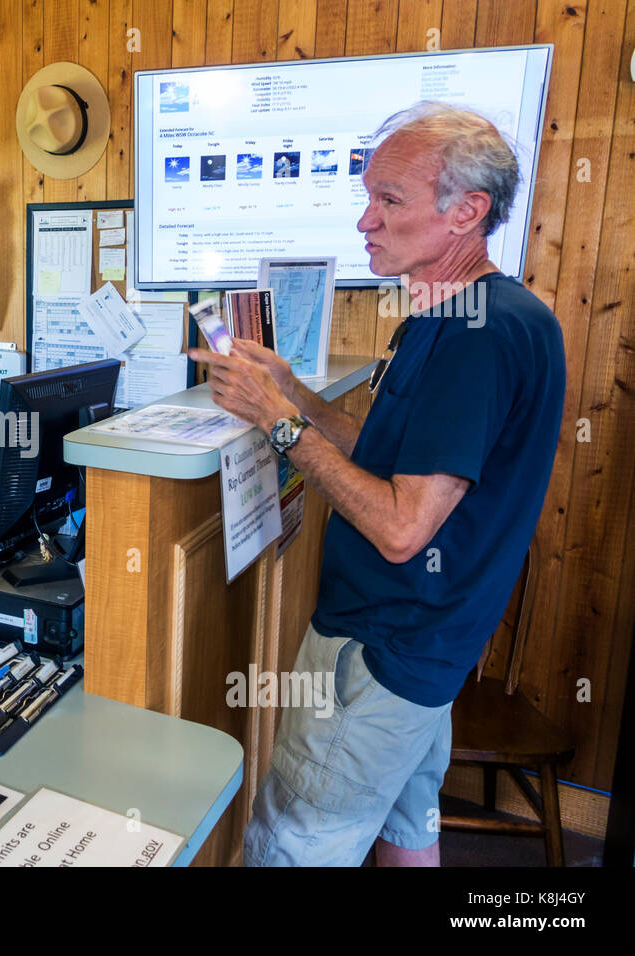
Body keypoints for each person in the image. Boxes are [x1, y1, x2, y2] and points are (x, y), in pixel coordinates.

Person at [189, 102, 565, 866]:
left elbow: (401, 527)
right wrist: (292, 390)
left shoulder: (479, 336)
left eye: (389, 200)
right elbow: (392, 456)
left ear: (467, 211)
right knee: (405, 833)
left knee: (294, 843)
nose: (365, 222)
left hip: (382, 651)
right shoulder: (453, 315)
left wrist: (278, 426)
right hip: (428, 650)